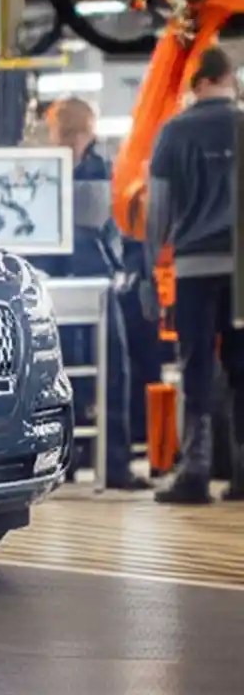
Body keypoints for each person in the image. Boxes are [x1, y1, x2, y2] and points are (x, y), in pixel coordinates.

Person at [30, 98, 149, 490]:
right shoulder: (63, 171)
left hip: (91, 283)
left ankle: (111, 462)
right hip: (71, 283)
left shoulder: (93, 170)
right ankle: (69, 460)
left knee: (108, 373)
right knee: (69, 376)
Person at [146, 45, 244, 504]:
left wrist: (152, 264)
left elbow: (158, 209)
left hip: (194, 269)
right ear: (228, 78)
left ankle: (196, 472)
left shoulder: (174, 132)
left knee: (196, 367)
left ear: (198, 81)